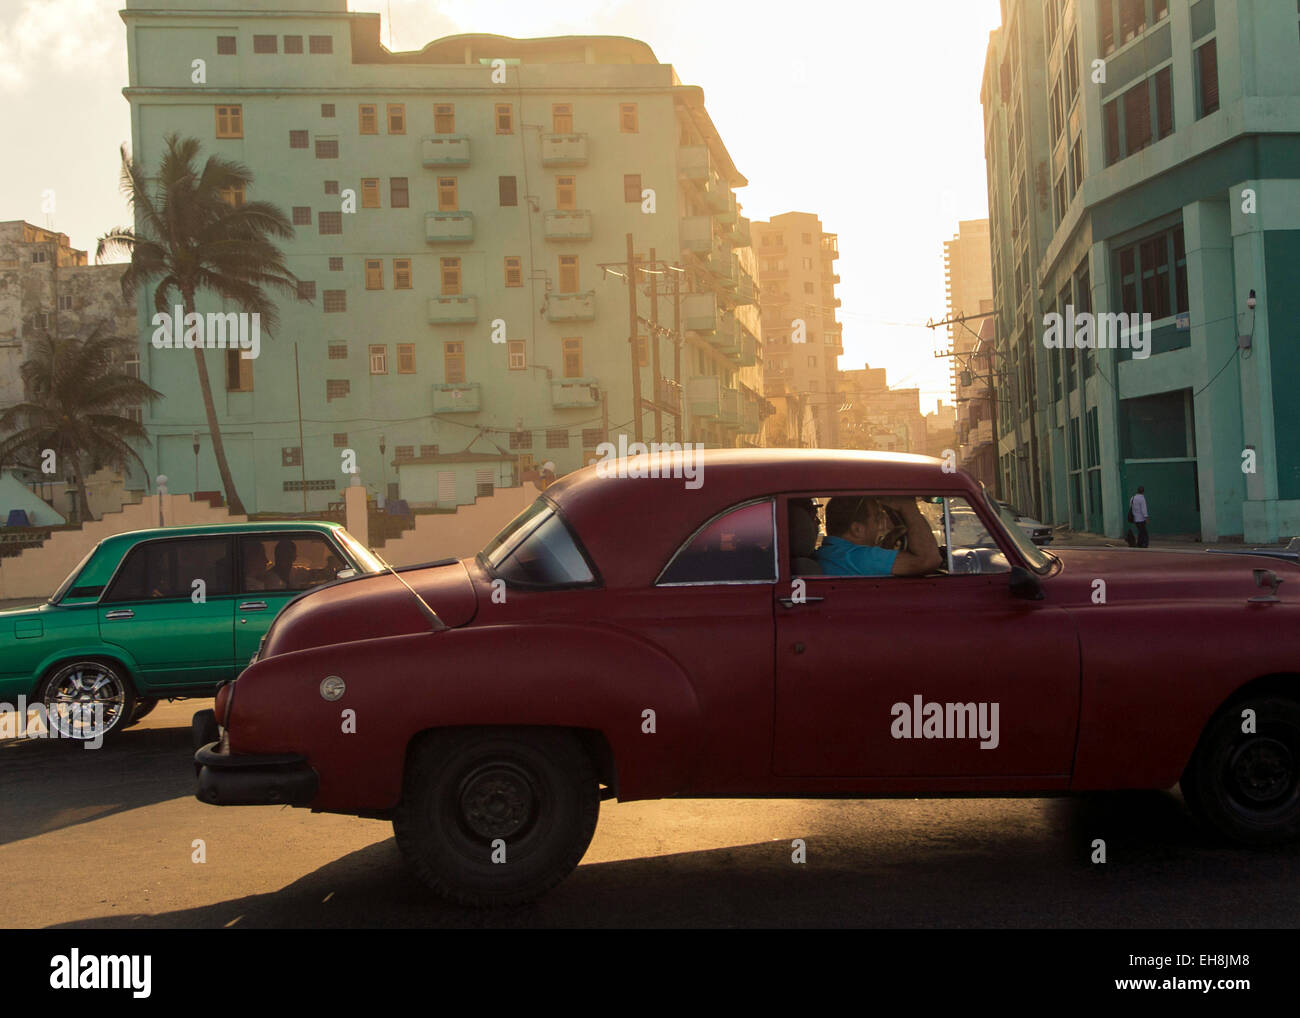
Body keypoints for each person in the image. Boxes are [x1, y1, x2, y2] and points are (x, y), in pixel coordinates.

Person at [816, 495, 943, 577]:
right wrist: (908, 506)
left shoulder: (831, 553)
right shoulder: (857, 557)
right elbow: (928, 560)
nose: (881, 527)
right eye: (877, 519)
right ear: (857, 529)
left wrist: (885, 546)